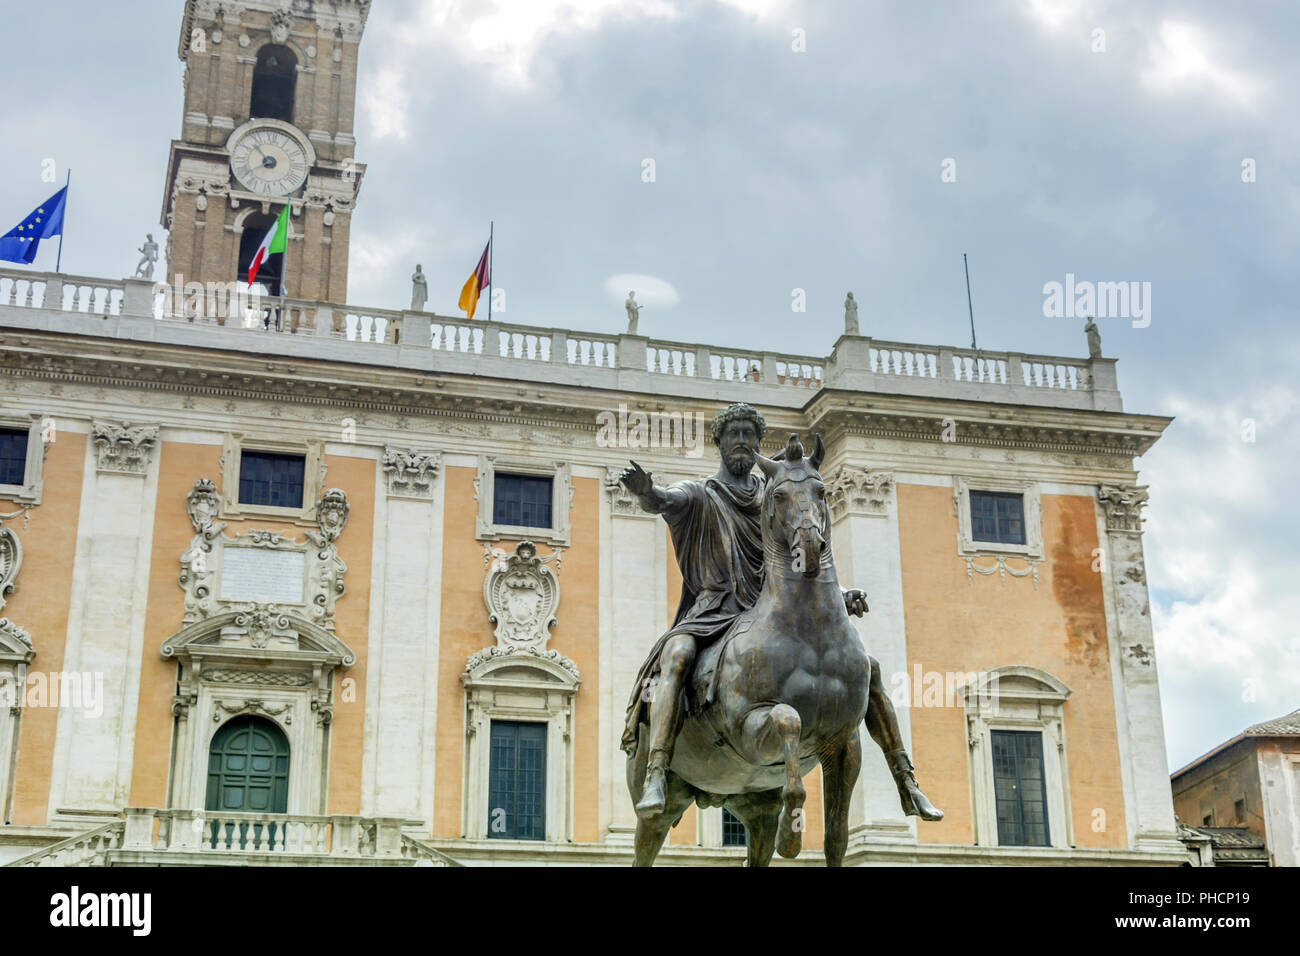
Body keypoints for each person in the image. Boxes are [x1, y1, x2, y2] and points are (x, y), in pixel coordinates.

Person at [619, 402, 942, 821]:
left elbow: (803, 556)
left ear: (758, 443)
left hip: (771, 611)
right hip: (713, 611)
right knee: (677, 656)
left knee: (868, 667)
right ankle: (658, 770)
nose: (741, 441)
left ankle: (906, 777)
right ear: (719, 442)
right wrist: (647, 491)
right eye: (733, 433)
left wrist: (840, 592)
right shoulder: (702, 493)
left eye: (749, 434)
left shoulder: (776, 496)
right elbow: (664, 501)